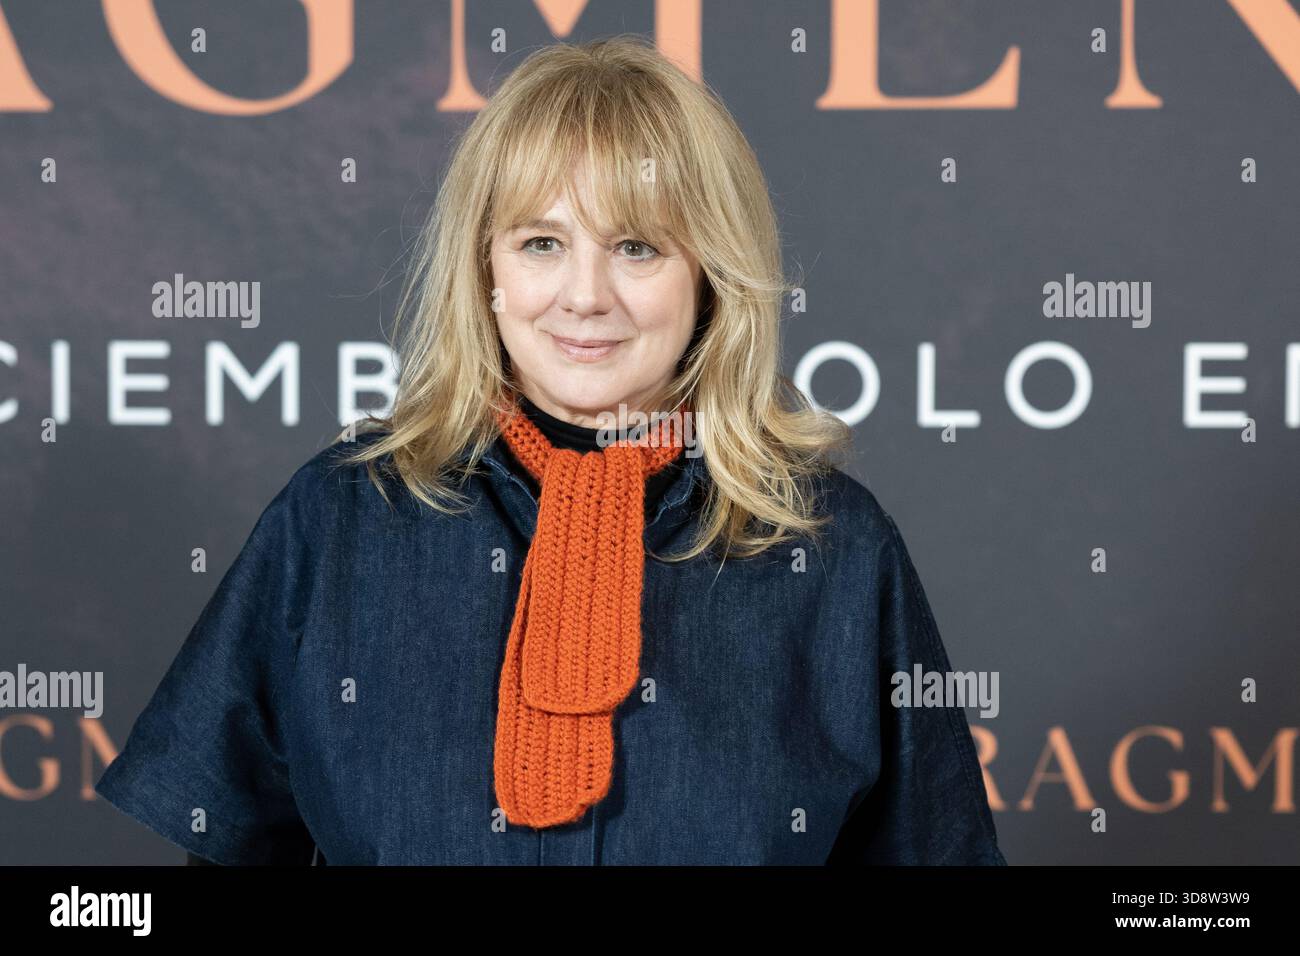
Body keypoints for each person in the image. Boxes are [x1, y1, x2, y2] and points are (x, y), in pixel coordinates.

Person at [96, 34, 1006, 866]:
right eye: (541, 242)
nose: (584, 296)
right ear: (485, 269)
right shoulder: (338, 516)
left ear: (711, 278)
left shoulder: (832, 547)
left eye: (638, 247)